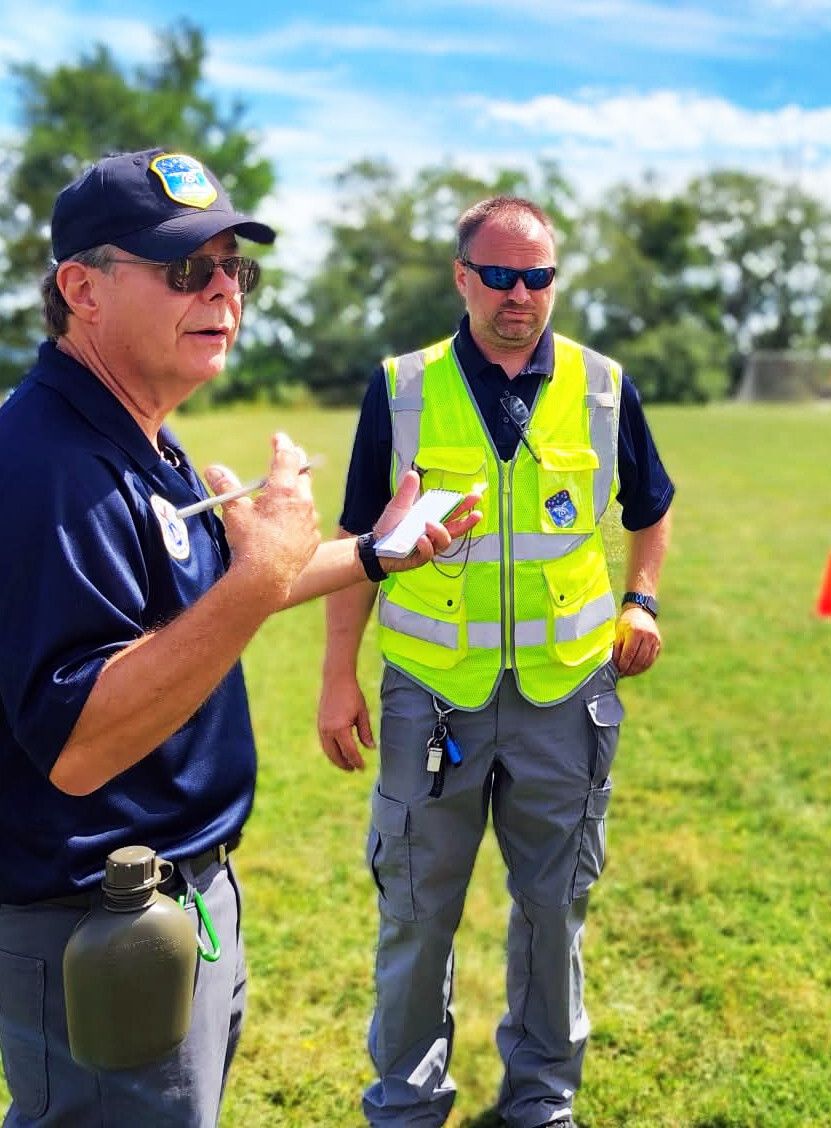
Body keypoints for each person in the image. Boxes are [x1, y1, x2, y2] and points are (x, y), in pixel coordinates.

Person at [0, 148, 476, 1127]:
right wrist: (258, 568)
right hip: (97, 928)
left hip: (172, 899)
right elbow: (80, 744)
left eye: (235, 268)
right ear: (82, 289)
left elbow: (203, 598)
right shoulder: (50, 466)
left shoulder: (135, 431)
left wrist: (376, 557)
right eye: (185, 269)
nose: (224, 289)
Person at [318, 195, 674, 1128]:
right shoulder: (402, 388)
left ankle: (541, 1098)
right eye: (502, 276)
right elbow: (358, 538)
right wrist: (336, 676)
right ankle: (404, 1102)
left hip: (566, 698)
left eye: (539, 277)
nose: (522, 295)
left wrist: (641, 597)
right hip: (430, 699)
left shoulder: (603, 386)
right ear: (463, 277)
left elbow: (651, 505)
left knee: (554, 910)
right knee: (416, 911)